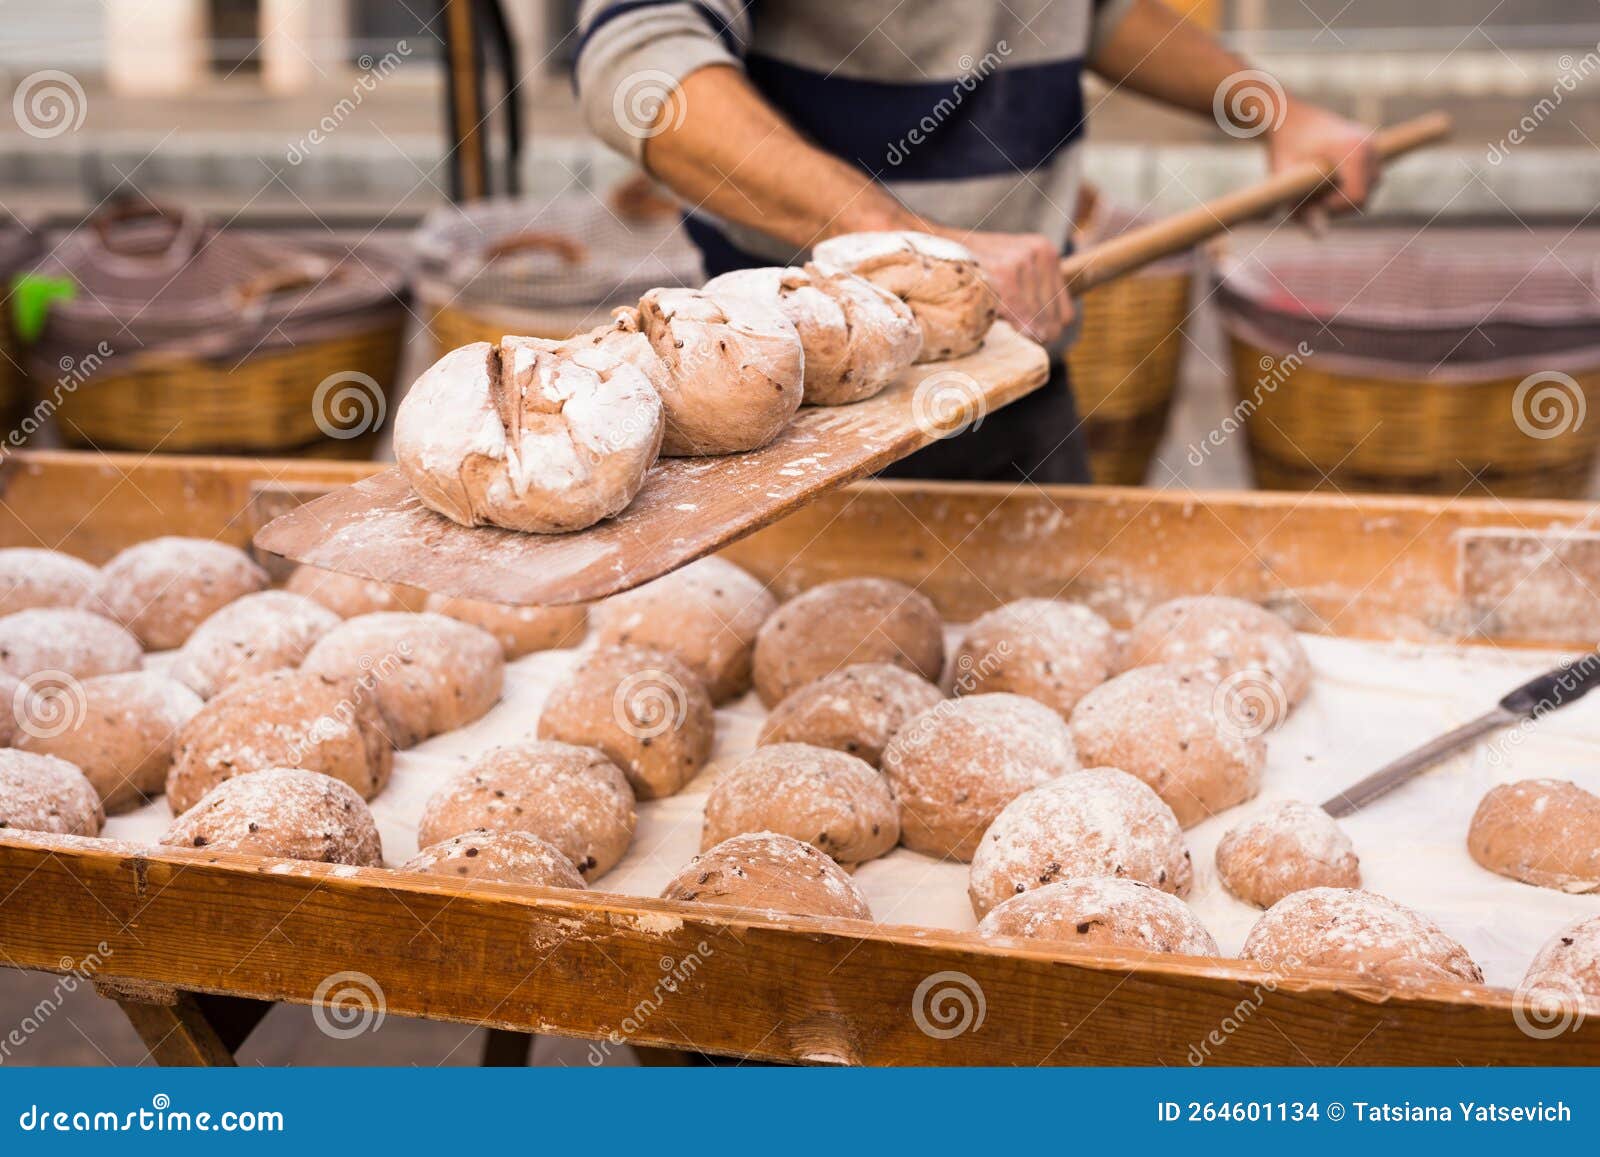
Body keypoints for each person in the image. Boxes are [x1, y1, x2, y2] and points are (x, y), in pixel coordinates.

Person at [573, 0, 1379, 483]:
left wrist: (1269, 106)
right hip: (794, 421)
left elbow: (1094, 13)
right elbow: (637, 60)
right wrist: (909, 250)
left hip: (1020, 377)